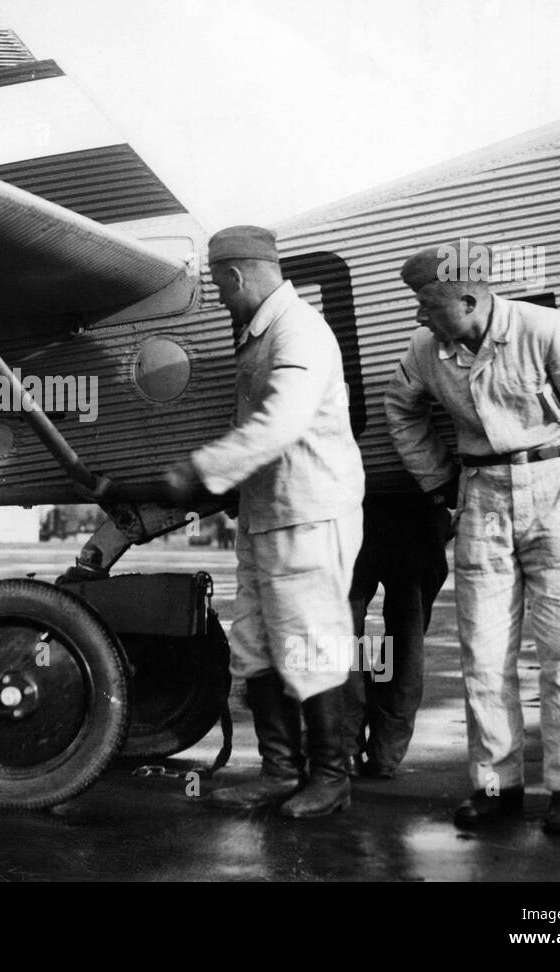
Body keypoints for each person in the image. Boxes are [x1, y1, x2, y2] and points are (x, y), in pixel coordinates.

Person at [383, 244, 560, 833]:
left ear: (470, 299)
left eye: (428, 306)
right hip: (480, 493)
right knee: (484, 660)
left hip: (557, 489)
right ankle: (496, 786)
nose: (419, 318)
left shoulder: (552, 331)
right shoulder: (426, 349)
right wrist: (439, 481)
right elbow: (400, 408)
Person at [164, 225, 365, 818]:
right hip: (267, 514)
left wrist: (201, 470)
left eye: (220, 288)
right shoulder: (264, 330)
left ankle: (331, 777)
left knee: (309, 644)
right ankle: (280, 770)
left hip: (307, 514)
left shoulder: (298, 330)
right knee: (255, 645)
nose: (221, 299)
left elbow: (281, 423)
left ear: (236, 276)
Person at [342, 489, 450, 780]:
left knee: (344, 634)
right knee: (405, 638)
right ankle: (385, 752)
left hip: (347, 508)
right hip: (418, 507)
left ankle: (345, 747)